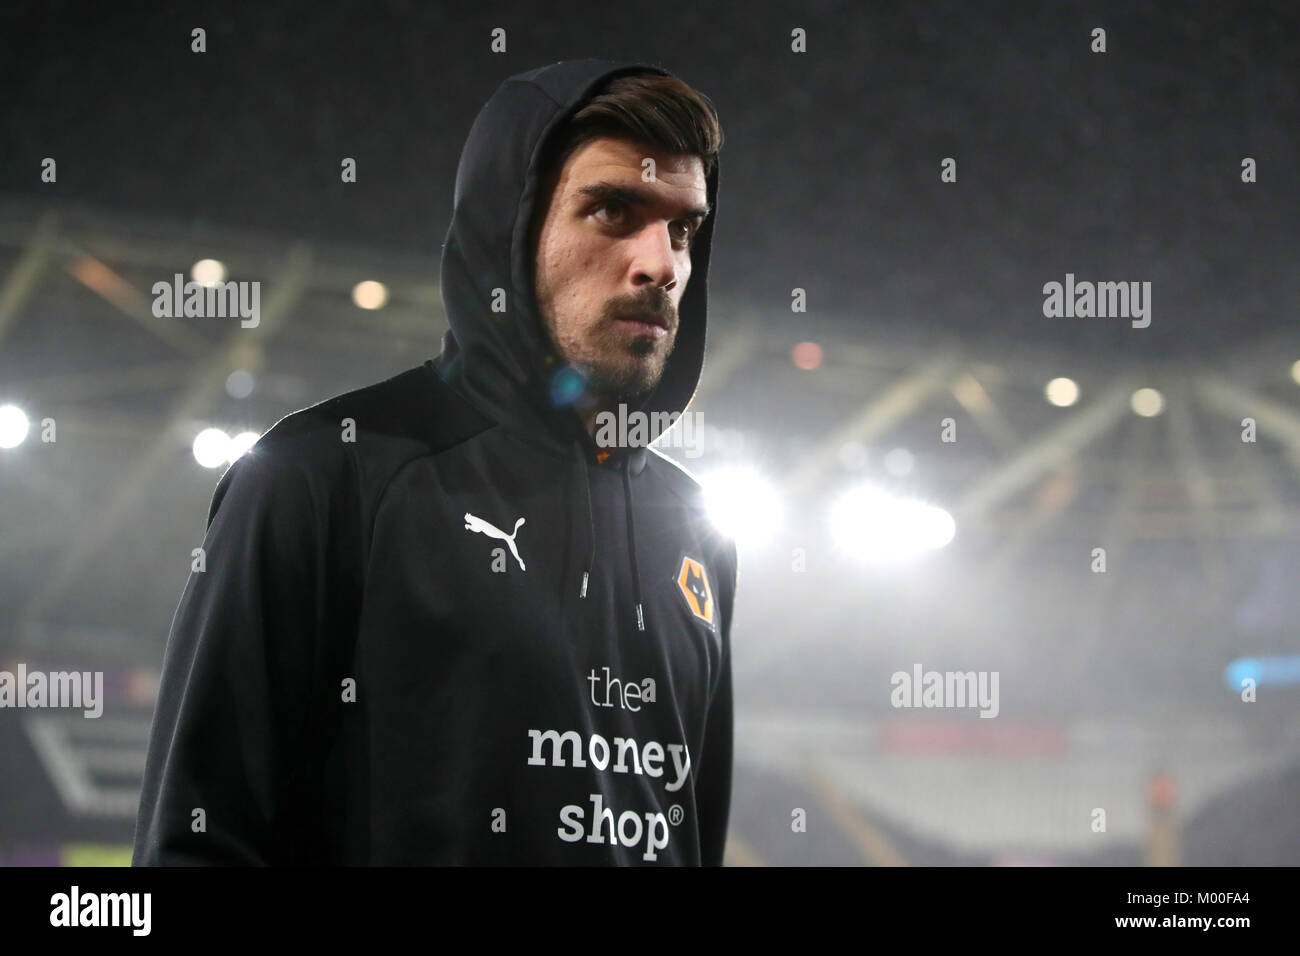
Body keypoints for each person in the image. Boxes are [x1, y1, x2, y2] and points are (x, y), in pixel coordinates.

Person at [132, 57, 735, 865]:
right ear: (508, 228)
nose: (660, 264)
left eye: (682, 227)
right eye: (613, 210)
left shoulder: (700, 535)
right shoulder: (324, 477)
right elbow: (199, 844)